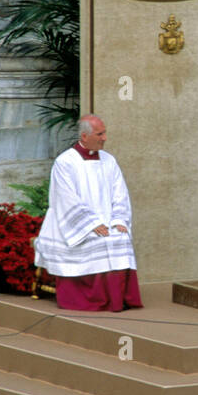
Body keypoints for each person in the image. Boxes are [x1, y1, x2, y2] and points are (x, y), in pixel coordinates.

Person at [35, 115, 143, 313]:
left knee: (120, 236)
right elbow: (66, 200)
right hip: (72, 223)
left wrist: (119, 219)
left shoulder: (109, 161)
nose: (105, 138)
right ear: (84, 136)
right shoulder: (65, 162)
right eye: (100, 134)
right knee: (98, 239)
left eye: (104, 133)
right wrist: (90, 224)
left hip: (108, 220)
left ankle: (119, 299)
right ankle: (96, 300)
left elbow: (120, 194)